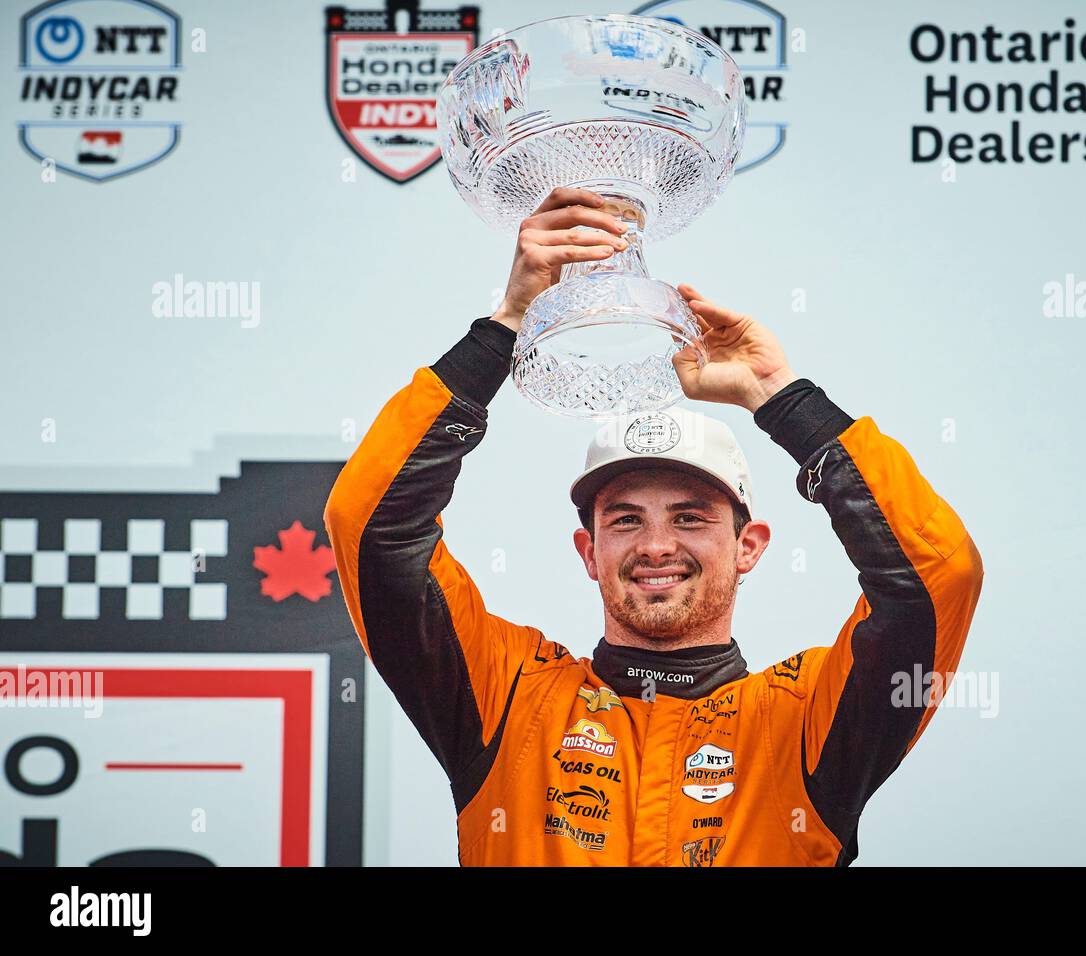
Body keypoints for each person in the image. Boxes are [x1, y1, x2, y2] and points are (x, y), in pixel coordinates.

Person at [323, 187, 984, 866]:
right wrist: (507, 325)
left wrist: (783, 401)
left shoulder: (806, 718)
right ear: (589, 550)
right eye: (626, 518)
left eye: (692, 517)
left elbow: (938, 576)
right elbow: (372, 526)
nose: (657, 544)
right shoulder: (510, 697)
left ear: (748, 546)